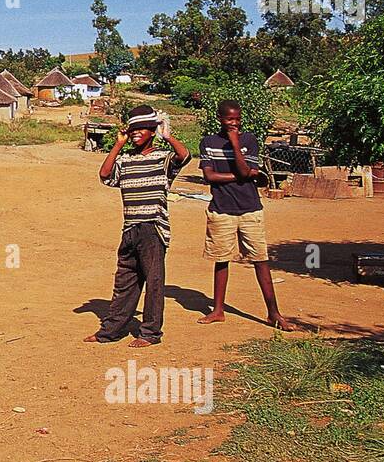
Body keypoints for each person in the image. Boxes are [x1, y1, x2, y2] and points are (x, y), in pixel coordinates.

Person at [86, 105, 191, 347]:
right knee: (124, 282)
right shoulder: (125, 160)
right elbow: (104, 175)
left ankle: (150, 333)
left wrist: (167, 136)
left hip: (152, 228)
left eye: (142, 129)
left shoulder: (162, 159)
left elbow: (184, 156)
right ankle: (110, 331)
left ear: (152, 131)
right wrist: (118, 144)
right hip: (130, 229)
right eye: (133, 129)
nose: (136, 133)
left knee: (153, 282)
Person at [196, 100, 294, 330]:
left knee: (260, 260)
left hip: (250, 209)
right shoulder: (208, 143)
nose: (234, 123)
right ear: (219, 118)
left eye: (238, 119)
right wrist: (245, 176)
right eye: (230, 119)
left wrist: (235, 143)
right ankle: (218, 310)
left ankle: (273, 313)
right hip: (221, 210)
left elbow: (243, 169)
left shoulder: (248, 140)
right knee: (222, 260)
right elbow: (210, 177)